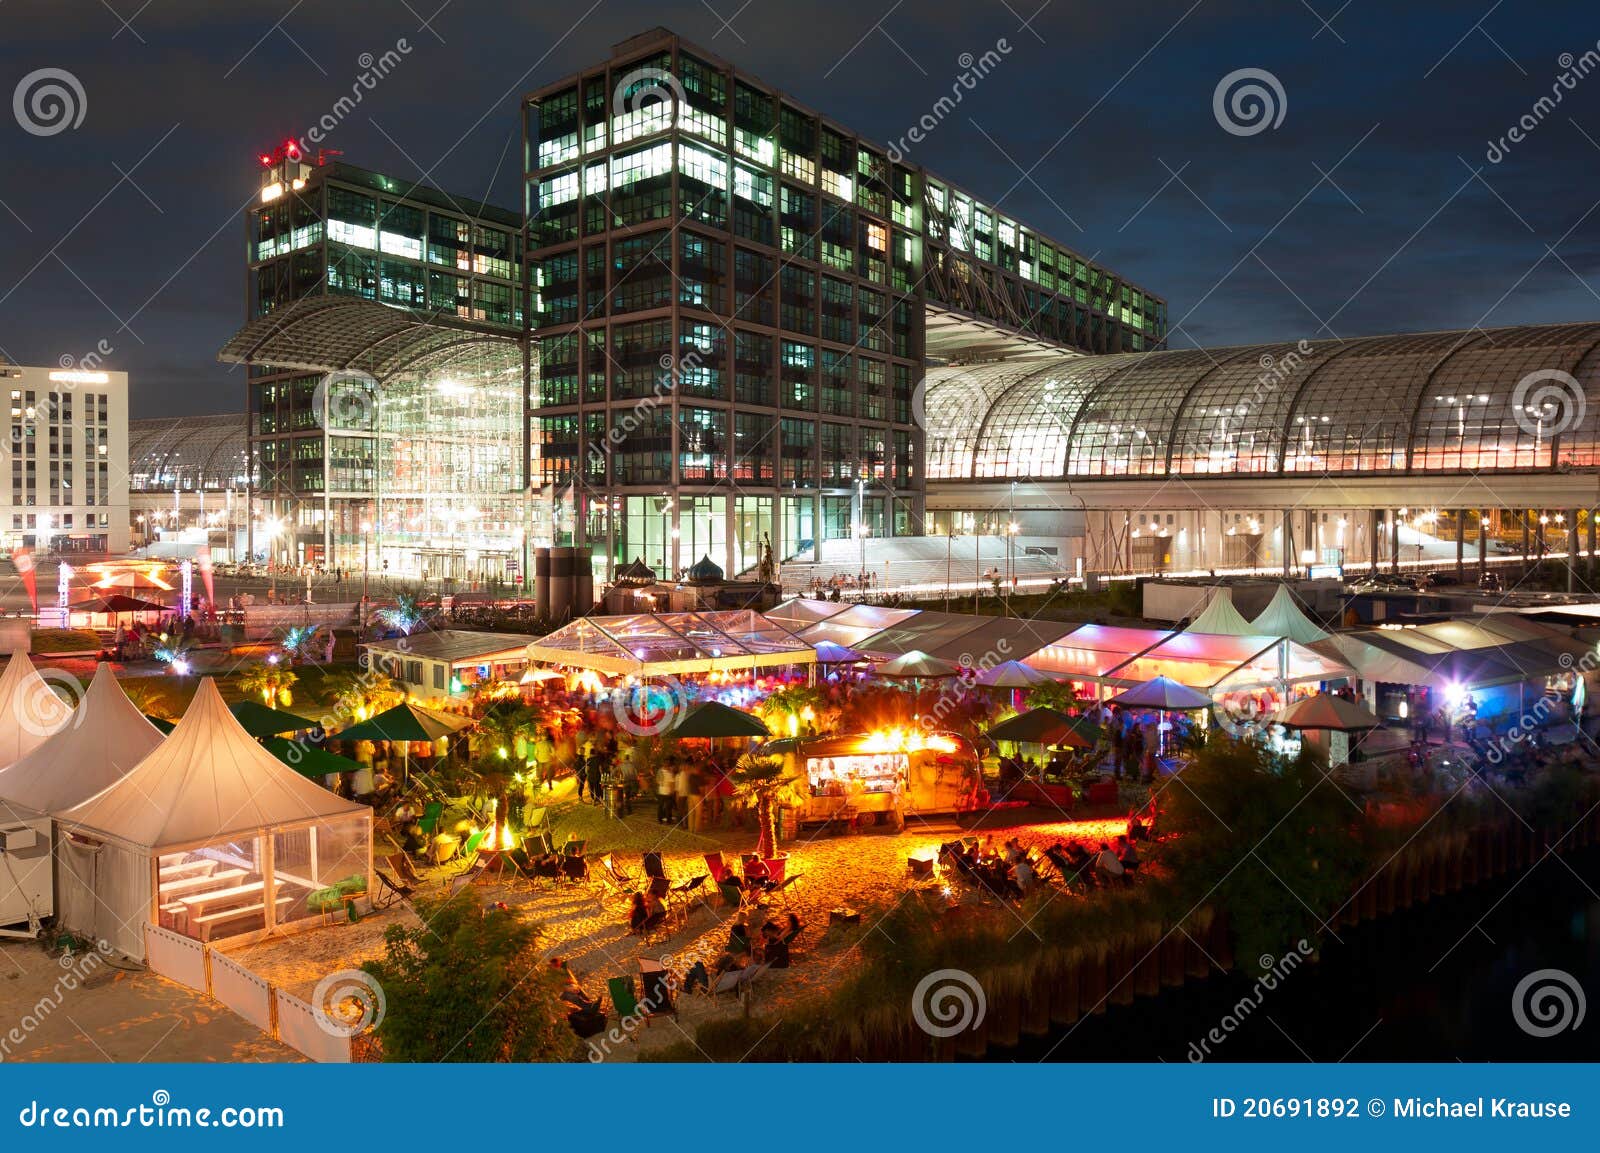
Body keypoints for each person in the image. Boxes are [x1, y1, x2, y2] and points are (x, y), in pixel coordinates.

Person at [656, 761, 676, 825]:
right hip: (665, 791)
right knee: (665, 807)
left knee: (664, 807)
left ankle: (663, 820)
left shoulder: (663, 771)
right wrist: (672, 790)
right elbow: (672, 782)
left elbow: (657, 780)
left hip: (664, 791)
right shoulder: (666, 772)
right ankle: (665, 820)